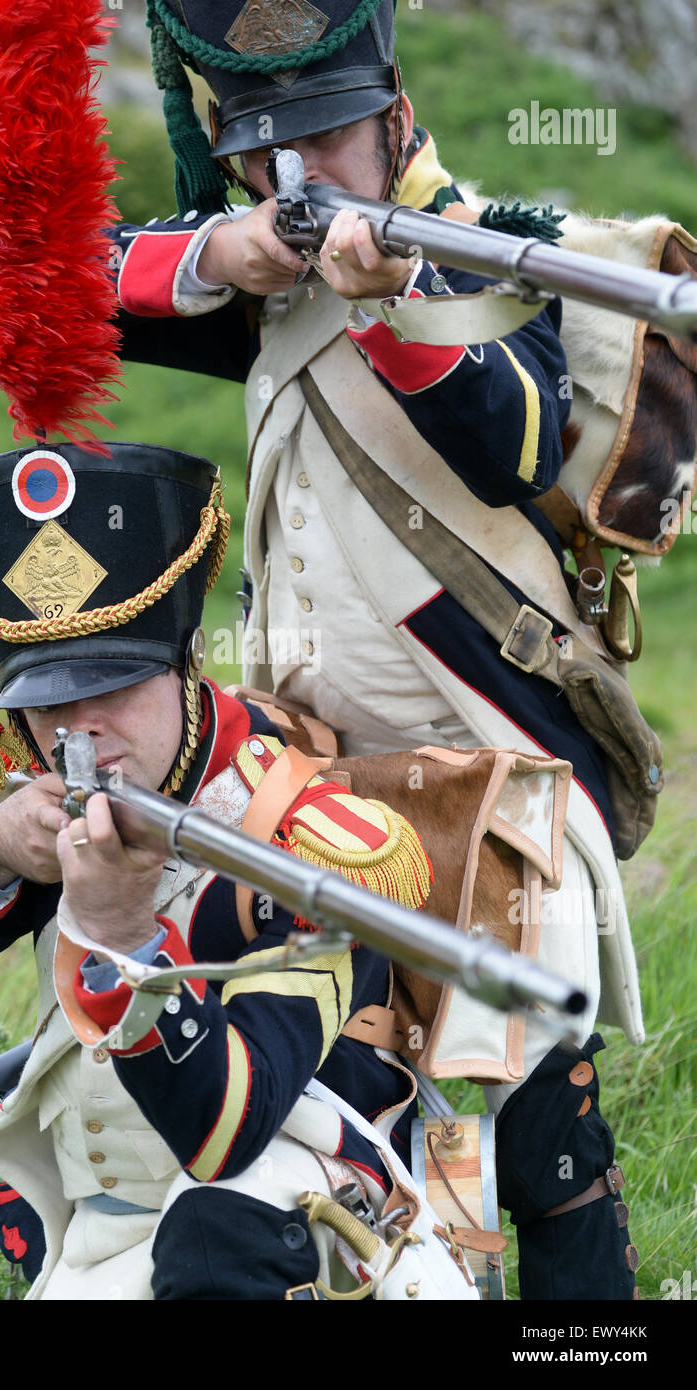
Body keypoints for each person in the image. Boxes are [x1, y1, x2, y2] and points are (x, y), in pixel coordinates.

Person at [102, 0, 642, 1298]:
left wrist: (394, 300)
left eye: (328, 136)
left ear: (394, 114)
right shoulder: (263, 270)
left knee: (531, 1126)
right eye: (261, 149)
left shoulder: (495, 247)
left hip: (492, 773)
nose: (295, 171)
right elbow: (58, 287)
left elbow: (520, 442)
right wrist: (221, 248)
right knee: (346, 1106)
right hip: (310, 779)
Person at [0, 440, 478, 1301]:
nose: (78, 730)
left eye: (112, 687)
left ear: (186, 665)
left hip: (292, 1219)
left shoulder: (314, 841)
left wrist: (120, 934)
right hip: (101, 1232)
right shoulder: (45, 805)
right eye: (45, 702)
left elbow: (225, 1137)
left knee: (217, 1231)